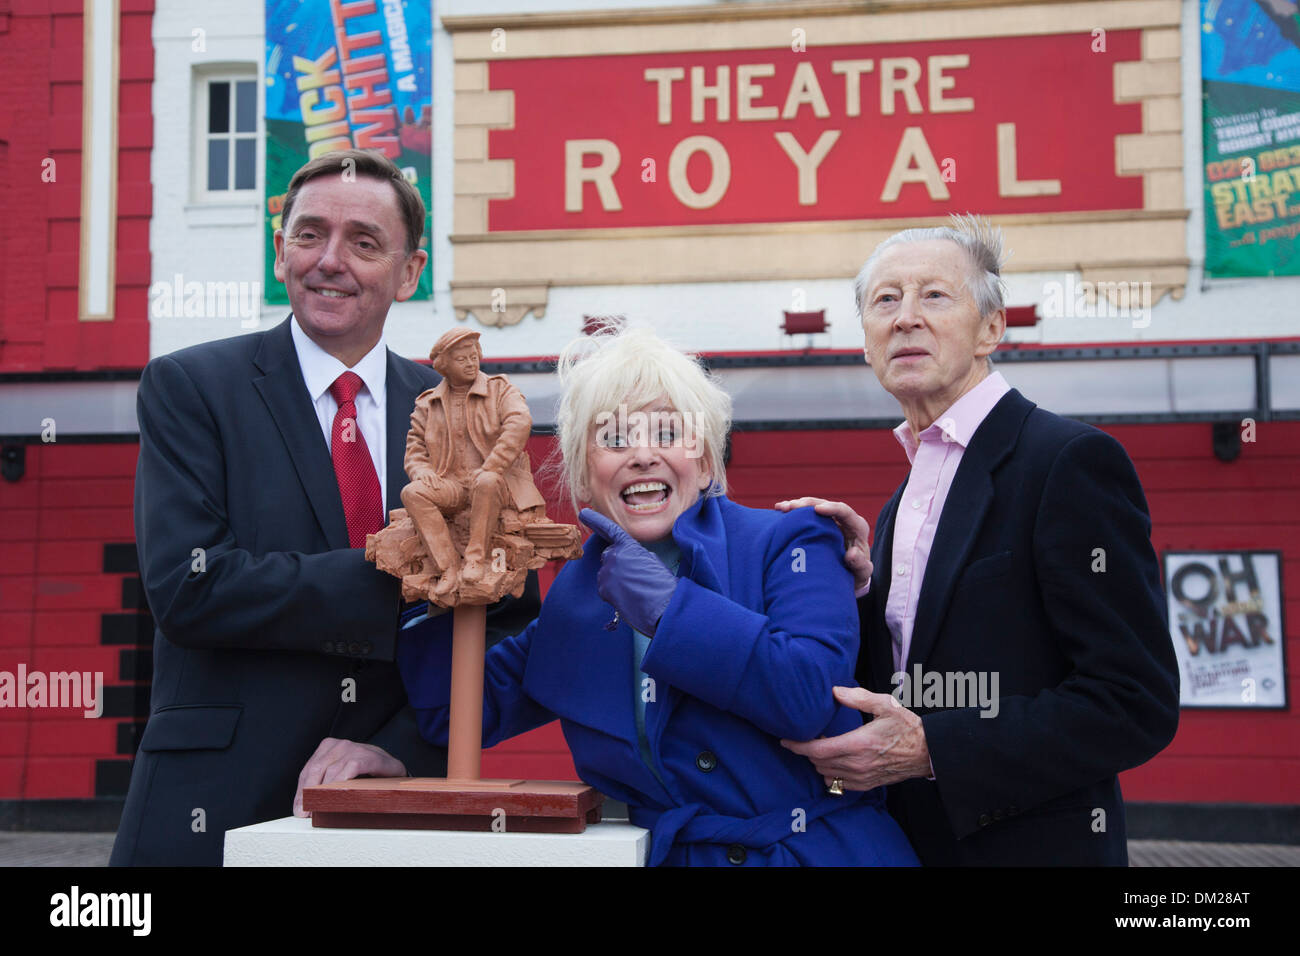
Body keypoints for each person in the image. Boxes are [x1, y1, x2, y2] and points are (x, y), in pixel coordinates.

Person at [111, 149, 537, 866]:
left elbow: (510, 618)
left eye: (364, 243)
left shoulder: (470, 416)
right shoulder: (190, 387)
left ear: (410, 272)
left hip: (400, 804)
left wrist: (397, 746)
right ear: (281, 253)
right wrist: (408, 570)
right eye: (309, 235)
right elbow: (191, 587)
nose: (330, 260)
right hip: (213, 806)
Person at [397, 328, 919, 866]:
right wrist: (439, 583)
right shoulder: (575, 600)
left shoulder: (793, 539)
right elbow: (455, 714)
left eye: (670, 434)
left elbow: (807, 698)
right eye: (615, 439)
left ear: (708, 464)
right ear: (581, 476)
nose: (643, 455)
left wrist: (673, 611)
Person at [779, 215, 1180, 865]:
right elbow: (914, 678)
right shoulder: (900, 502)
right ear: (866, 341)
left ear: (992, 328)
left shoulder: (1068, 462)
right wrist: (853, 587)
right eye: (885, 299)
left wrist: (933, 749)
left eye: (934, 295)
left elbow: (1134, 701)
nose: (906, 316)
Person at [399, 327, 547, 601]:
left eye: (473, 357)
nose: (470, 363)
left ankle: (475, 559)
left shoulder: (501, 390)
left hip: (495, 483)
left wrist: (494, 464)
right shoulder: (428, 404)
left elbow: (519, 422)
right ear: (443, 365)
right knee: (412, 493)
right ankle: (448, 569)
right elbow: (415, 446)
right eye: (462, 359)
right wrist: (422, 471)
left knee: (487, 481)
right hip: (451, 485)